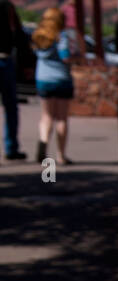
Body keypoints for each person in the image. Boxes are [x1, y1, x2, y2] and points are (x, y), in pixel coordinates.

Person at [32, 7, 77, 164]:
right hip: (61, 79)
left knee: (46, 116)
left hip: (43, 79)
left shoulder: (40, 36)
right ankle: (61, 155)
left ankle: (43, 142)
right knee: (62, 119)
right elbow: (65, 57)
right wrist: (76, 58)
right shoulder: (61, 37)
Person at [0, 0, 26, 160]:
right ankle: (11, 148)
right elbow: (19, 36)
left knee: (11, 108)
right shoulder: (7, 7)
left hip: (5, 59)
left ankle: (12, 147)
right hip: (3, 59)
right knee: (10, 107)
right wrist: (26, 63)